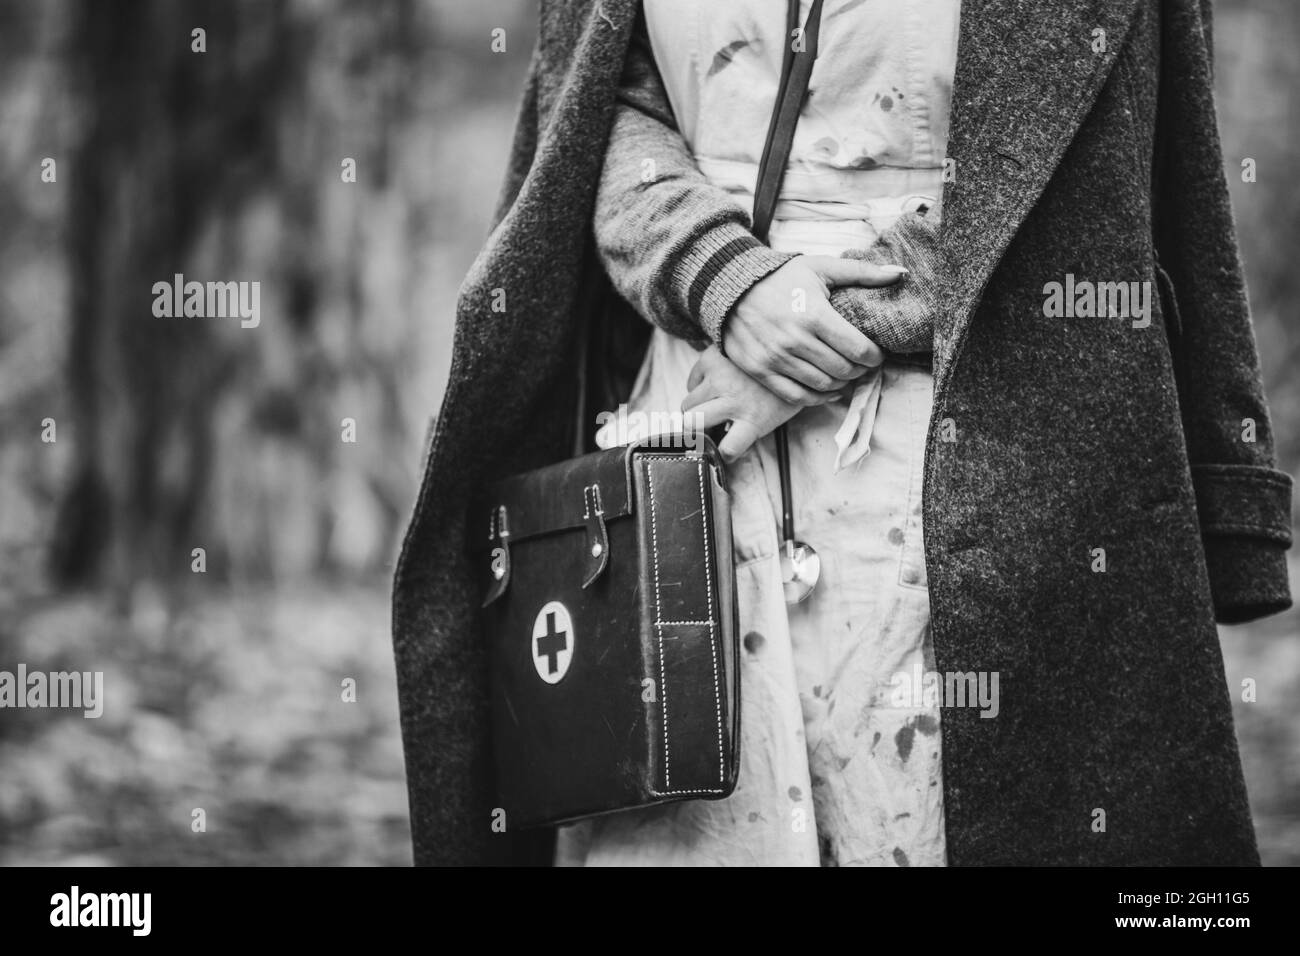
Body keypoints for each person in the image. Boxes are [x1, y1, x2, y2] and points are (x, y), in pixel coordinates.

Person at [392, 0, 1293, 866]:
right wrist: (720, 275)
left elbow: (1100, 191)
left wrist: (823, 320)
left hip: (979, 447)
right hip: (681, 453)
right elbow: (600, 105)